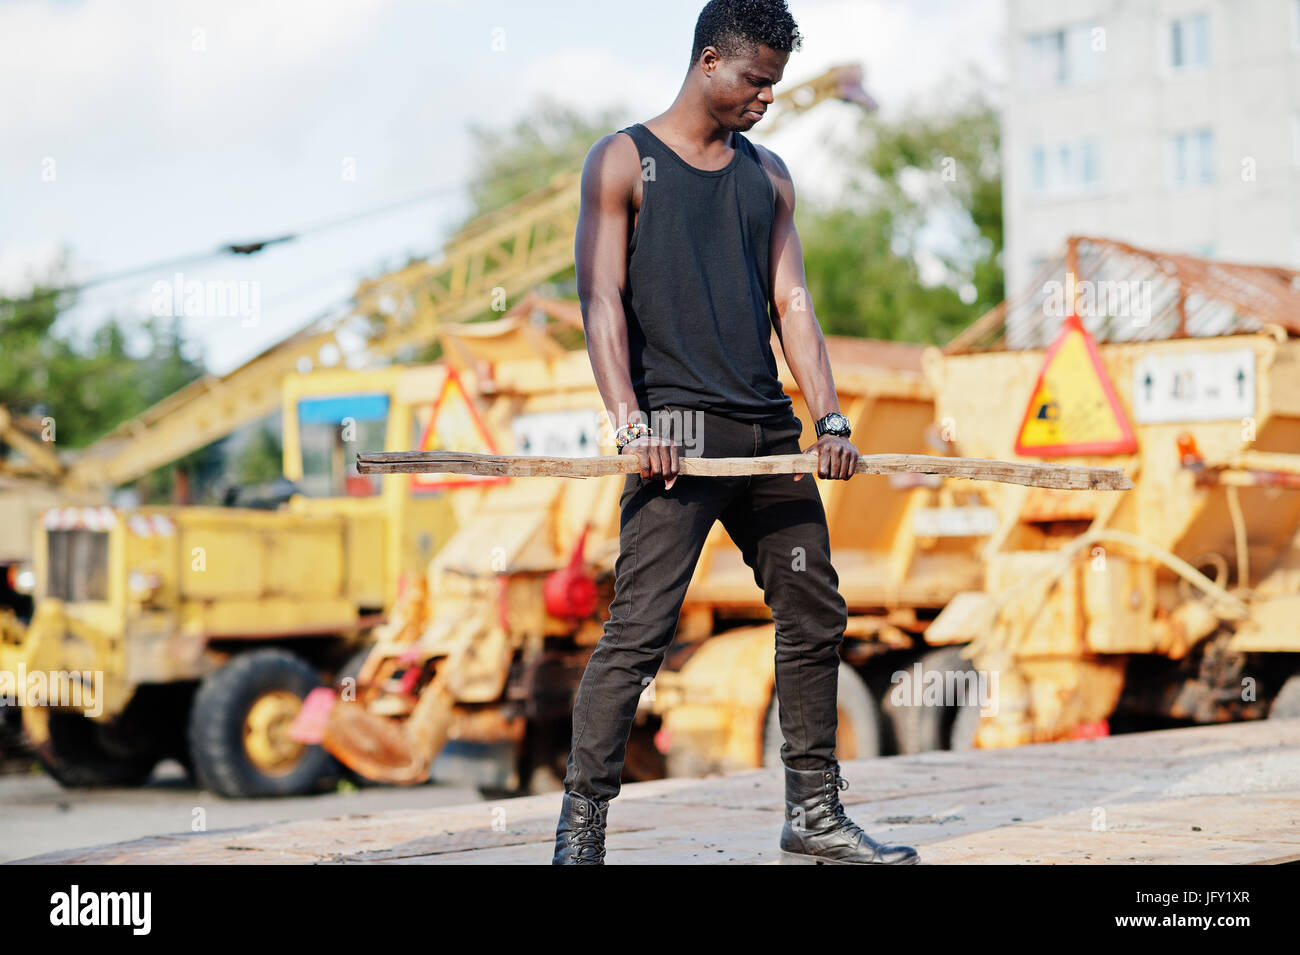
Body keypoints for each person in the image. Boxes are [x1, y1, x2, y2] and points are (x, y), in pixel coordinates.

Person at [552, 0, 919, 866]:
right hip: (673, 437)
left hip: (763, 433)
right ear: (709, 61)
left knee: (814, 610)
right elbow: (599, 298)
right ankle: (581, 833)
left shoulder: (769, 177)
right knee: (637, 635)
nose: (764, 99)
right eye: (755, 81)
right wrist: (630, 421)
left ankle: (815, 813)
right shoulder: (623, 161)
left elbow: (793, 303)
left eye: (775, 85)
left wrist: (827, 417)